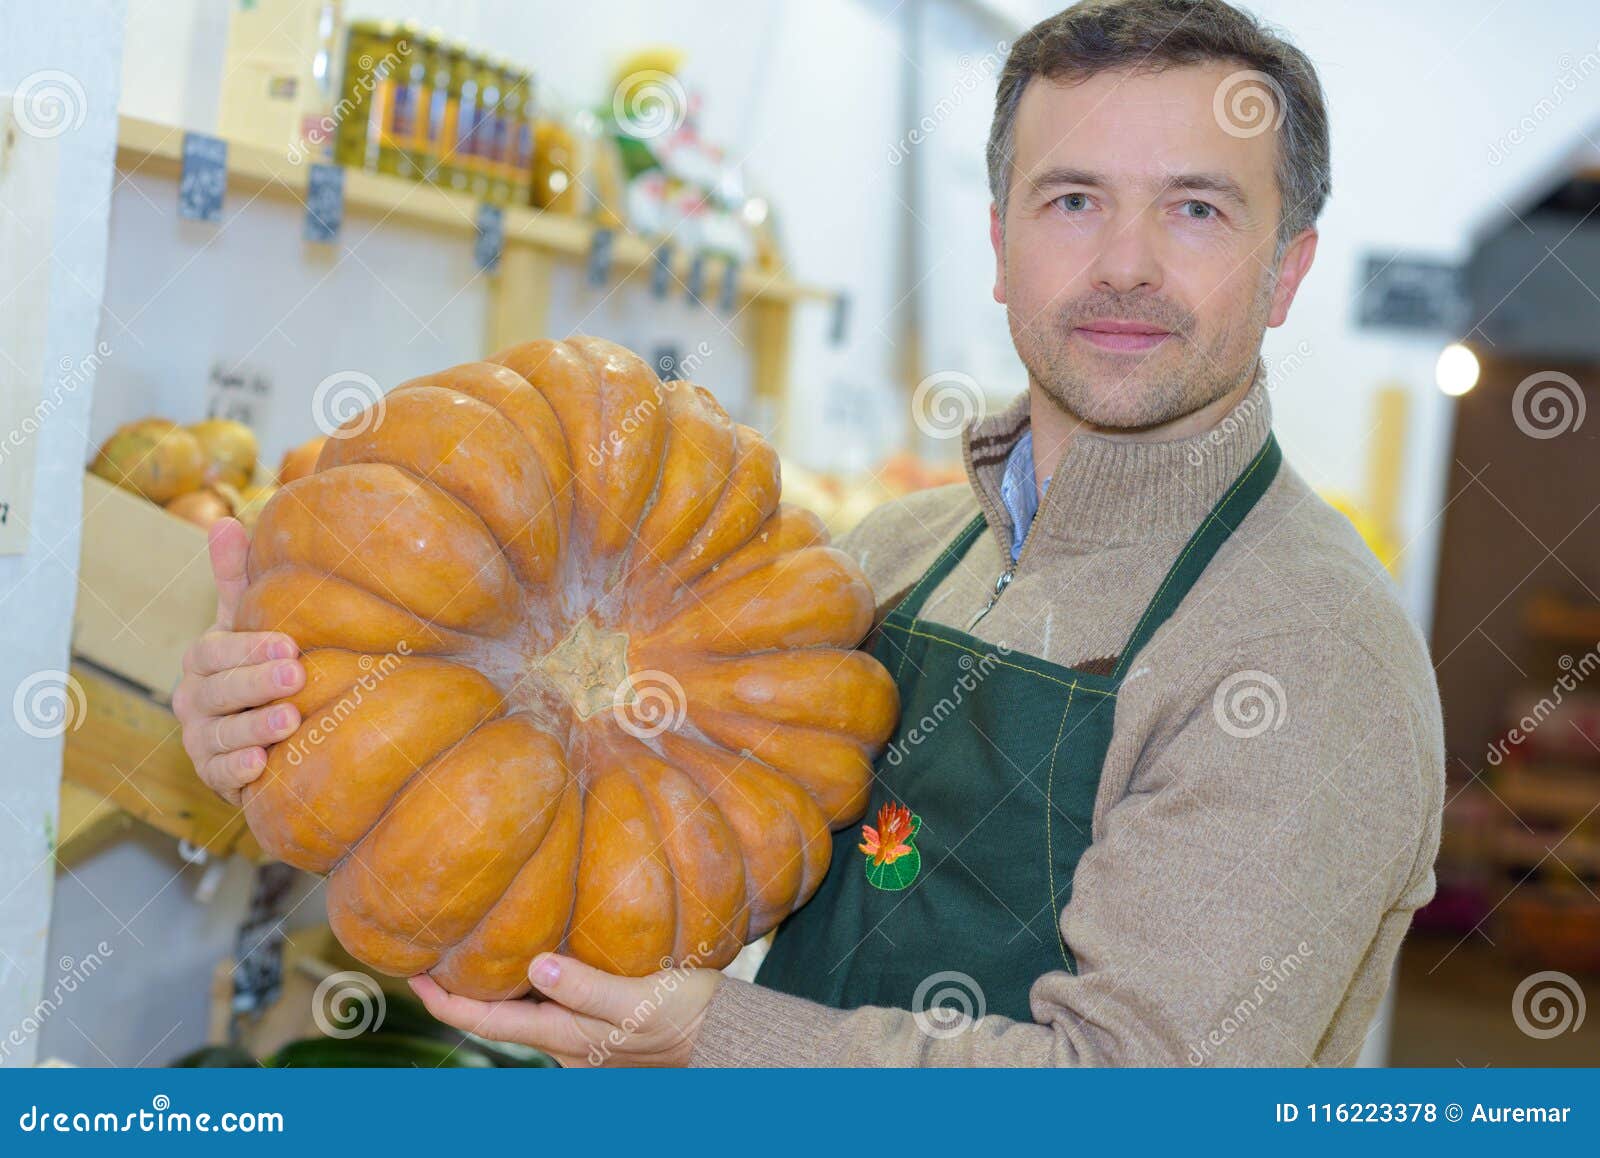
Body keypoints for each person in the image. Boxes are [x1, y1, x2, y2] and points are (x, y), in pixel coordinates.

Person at [175, 0, 1444, 1067]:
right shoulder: (888, 561)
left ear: (1286, 271)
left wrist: (709, 1040)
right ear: (999, 244)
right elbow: (631, 859)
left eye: (1197, 210)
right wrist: (295, 728)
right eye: (1070, 200)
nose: (1124, 263)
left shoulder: (1310, 654)